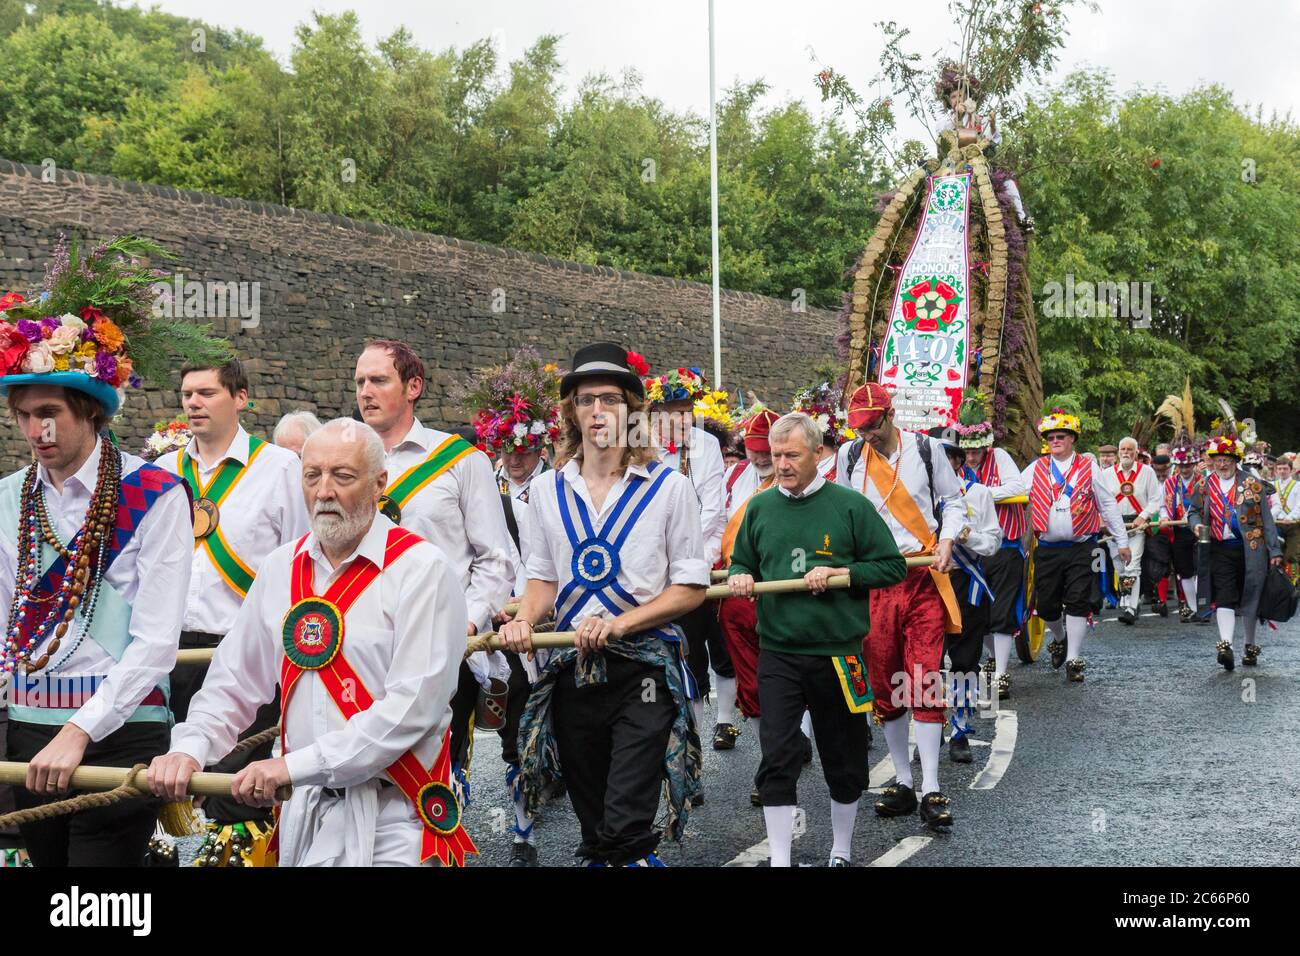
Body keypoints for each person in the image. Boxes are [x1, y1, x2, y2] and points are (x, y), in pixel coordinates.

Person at [149, 419, 473, 866]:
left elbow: (411, 710)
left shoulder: (423, 571)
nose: (324, 491)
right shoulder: (280, 568)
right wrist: (190, 747)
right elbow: (235, 680)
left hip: (398, 814)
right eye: (312, 475)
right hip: (304, 809)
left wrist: (290, 767)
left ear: (380, 482)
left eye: (343, 476)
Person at [0, 237, 213, 866]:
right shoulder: (8, 498)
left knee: (99, 899)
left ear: (92, 412)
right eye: (21, 415)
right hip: (27, 726)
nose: (35, 431)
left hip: (121, 731)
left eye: (49, 413)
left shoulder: (157, 495)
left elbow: (154, 643)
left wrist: (79, 731)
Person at [502, 342, 708, 867]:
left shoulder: (671, 488)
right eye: (586, 399)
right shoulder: (545, 492)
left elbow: (689, 587)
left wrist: (620, 623)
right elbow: (542, 582)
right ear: (572, 410)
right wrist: (524, 620)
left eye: (611, 399)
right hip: (572, 670)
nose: (598, 410)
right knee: (594, 827)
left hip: (643, 670)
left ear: (632, 409)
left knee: (623, 824)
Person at [728, 413, 905, 866]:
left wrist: (842, 573)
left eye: (792, 455)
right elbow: (740, 562)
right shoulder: (759, 507)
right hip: (779, 654)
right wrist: (741, 575)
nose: (781, 464)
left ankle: (840, 851)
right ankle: (782, 860)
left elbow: (892, 566)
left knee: (843, 759)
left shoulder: (850, 506)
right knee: (778, 756)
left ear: (817, 453)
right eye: (776, 455)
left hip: (839, 654)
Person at [354, 339, 515, 804]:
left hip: (437, 646)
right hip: (357, 645)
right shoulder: (342, 458)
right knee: (358, 777)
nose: (366, 391)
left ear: (413, 387)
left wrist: (465, 621)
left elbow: (495, 558)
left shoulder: (462, 461)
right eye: (360, 381)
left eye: (379, 380)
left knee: (431, 781)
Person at [161, 359, 310, 832]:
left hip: (247, 651)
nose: (193, 403)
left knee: (240, 792)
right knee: (177, 782)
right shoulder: (164, 470)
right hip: (172, 652)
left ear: (241, 398)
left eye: (207, 392)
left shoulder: (281, 467)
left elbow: (300, 561)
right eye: (187, 394)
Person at [835, 383, 962, 830]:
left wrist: (946, 539)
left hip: (923, 576)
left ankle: (931, 788)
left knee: (925, 678)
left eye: (871, 426)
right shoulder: (849, 458)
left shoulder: (926, 450)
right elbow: (840, 515)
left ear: (889, 416)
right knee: (885, 681)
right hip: (875, 581)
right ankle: (903, 783)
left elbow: (953, 501)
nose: (865, 435)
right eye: (859, 428)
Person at [457, 347, 559, 867]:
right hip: (487, 628)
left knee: (531, 734)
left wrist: (532, 607)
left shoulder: (558, 489)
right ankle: (448, 828)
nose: (513, 457)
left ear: (541, 444)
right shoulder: (478, 486)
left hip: (542, 630)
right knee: (477, 732)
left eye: (523, 447)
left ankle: (523, 831)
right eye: (505, 446)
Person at [643, 364, 731, 752]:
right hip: (654, 569)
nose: (680, 417)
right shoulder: (640, 446)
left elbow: (714, 508)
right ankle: (678, 742)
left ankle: (712, 730)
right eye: (671, 410)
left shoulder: (706, 445)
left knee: (709, 651)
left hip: (700, 562)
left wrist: (696, 559)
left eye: (686, 409)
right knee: (671, 660)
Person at [1020, 407, 1130, 683]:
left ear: (1072, 438)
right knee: (1046, 606)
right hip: (1047, 548)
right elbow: (1015, 494)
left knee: (1078, 600)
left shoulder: (1089, 468)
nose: (1055, 440)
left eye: (1060, 436)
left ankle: (1074, 659)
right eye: (1051, 436)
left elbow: (1107, 505)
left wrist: (1123, 541)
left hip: (1082, 547)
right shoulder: (1035, 468)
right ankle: (1060, 638)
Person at [931, 428, 1000, 763]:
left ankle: (959, 730)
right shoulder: (915, 497)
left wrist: (967, 537)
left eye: (949, 455)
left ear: (959, 461)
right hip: (927, 585)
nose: (943, 462)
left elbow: (993, 542)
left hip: (965, 586)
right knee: (926, 662)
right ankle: (929, 730)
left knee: (963, 662)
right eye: (936, 455)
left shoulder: (980, 494)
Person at [954, 389, 1027, 700]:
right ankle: (991, 659)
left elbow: (1017, 487)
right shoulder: (953, 464)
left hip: (1005, 546)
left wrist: (979, 492)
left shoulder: (1000, 458)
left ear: (986, 446)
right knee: (974, 615)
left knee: (1000, 611)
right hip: (969, 553)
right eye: (966, 452)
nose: (971, 457)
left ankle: (1000, 675)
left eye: (976, 451)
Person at [1188, 434, 1282, 670]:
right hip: (1219, 549)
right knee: (1225, 595)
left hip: (1252, 550)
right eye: (1218, 459)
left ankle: (1249, 646)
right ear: (1213, 461)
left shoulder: (1252, 483)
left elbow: (1267, 521)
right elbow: (1193, 512)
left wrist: (1275, 551)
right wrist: (1196, 524)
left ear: (1235, 460)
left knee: (1251, 596)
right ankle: (1226, 646)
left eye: (1227, 459)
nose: (1222, 464)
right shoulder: (1204, 485)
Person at [932, 61, 1032, 231]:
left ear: (967, 98)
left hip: (979, 164)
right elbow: (941, 132)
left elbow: (994, 140)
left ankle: (1022, 218)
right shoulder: (945, 122)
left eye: (960, 96)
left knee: (1007, 181)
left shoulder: (979, 119)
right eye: (954, 97)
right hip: (952, 165)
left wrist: (992, 125)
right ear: (949, 101)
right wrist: (959, 116)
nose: (957, 100)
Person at [1096, 437, 1163, 625]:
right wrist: (1101, 519)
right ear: (1118, 452)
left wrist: (1144, 515)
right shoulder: (1106, 474)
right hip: (1113, 527)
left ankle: (1130, 607)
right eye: (1122, 449)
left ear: (1136, 453)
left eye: (1129, 449)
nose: (1125, 452)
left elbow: (1155, 500)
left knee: (1132, 565)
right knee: (1120, 567)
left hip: (1136, 525)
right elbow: (1099, 500)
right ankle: (1127, 601)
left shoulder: (1147, 472)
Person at [1156, 444, 1203, 623]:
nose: (1184, 469)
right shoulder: (1169, 483)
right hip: (1179, 530)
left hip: (1199, 529)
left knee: (1201, 567)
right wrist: (1164, 517)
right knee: (1185, 570)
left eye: (1188, 465)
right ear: (1176, 466)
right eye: (1181, 466)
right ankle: (1192, 607)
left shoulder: (1204, 480)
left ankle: (1202, 606)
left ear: (1194, 465)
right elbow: (1162, 506)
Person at [1270, 454, 1300, 584]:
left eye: (1285, 469)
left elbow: (1299, 505)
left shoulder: (1298, 485)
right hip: (1276, 524)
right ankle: (1278, 583)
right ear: (1276, 470)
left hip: (1294, 525)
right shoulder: (1271, 485)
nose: (1282, 471)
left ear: (1291, 470)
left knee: (1292, 555)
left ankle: (1292, 583)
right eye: (1280, 469)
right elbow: (1269, 504)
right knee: (1277, 555)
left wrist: (1290, 517)